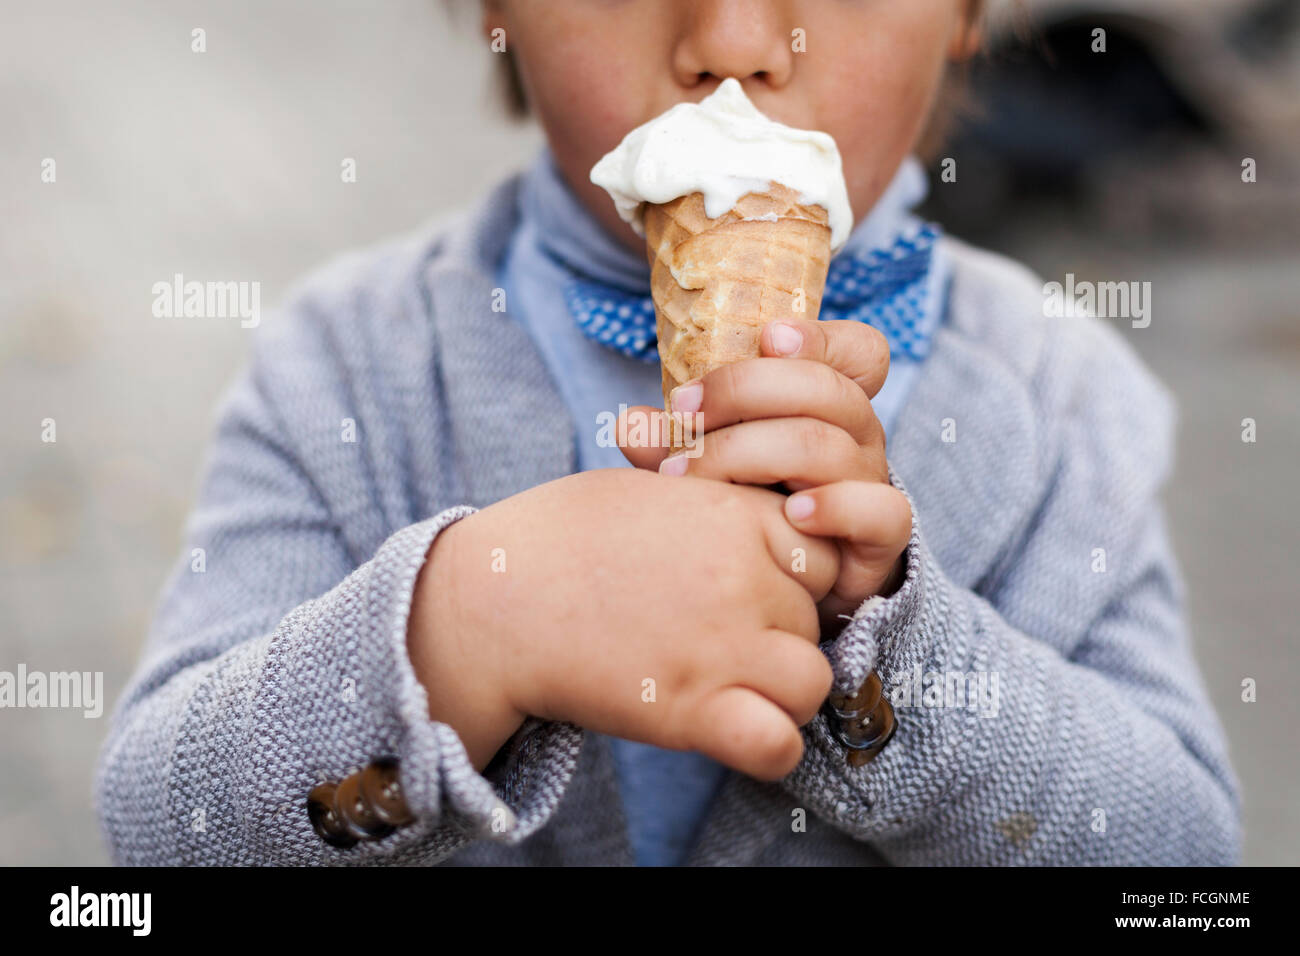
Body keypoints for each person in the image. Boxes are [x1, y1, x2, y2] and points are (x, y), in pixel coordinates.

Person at [95, 0, 1241, 865]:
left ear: (964, 12)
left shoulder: (1062, 397)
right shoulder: (348, 364)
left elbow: (1180, 861)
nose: (733, 39)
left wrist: (887, 650)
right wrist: (463, 627)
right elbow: (155, 833)